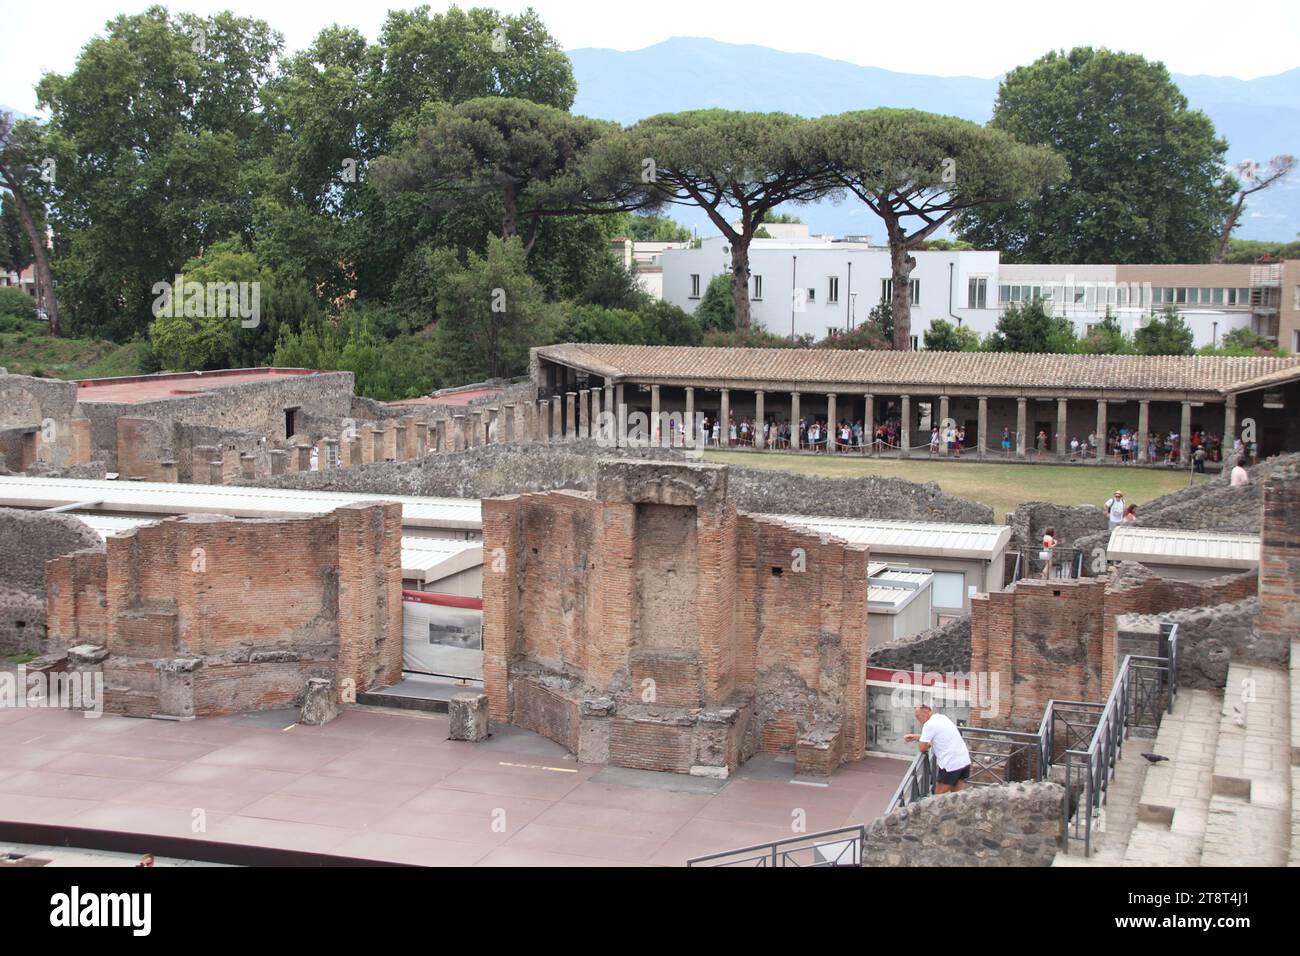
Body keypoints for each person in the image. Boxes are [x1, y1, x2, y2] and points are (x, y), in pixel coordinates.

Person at [903, 704, 971, 794]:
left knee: (938, 795)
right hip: (964, 760)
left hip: (950, 764)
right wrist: (916, 737)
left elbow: (922, 748)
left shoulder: (929, 724)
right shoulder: (941, 717)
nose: (917, 719)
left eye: (918, 716)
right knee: (956, 796)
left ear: (926, 712)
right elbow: (938, 737)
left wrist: (923, 741)